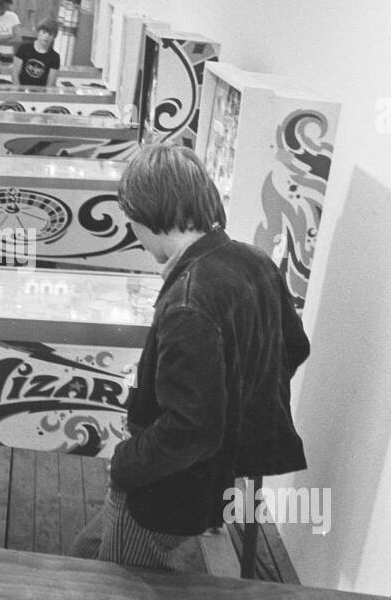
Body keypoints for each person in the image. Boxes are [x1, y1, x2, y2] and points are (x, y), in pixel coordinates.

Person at [70, 144, 310, 571]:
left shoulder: (187, 302)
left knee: (123, 598)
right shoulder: (254, 261)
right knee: (85, 557)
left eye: (132, 222)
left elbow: (190, 430)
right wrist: (237, 406)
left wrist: (125, 464)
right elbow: (293, 347)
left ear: (147, 212)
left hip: (162, 491)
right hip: (208, 476)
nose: (133, 234)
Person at [13, 18, 61, 88]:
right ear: (38, 33)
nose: (46, 36)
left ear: (54, 37)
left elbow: (50, 85)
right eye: (44, 32)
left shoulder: (55, 57)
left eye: (50, 34)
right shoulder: (23, 48)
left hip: (40, 95)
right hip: (21, 91)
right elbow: (15, 74)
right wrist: (19, 93)